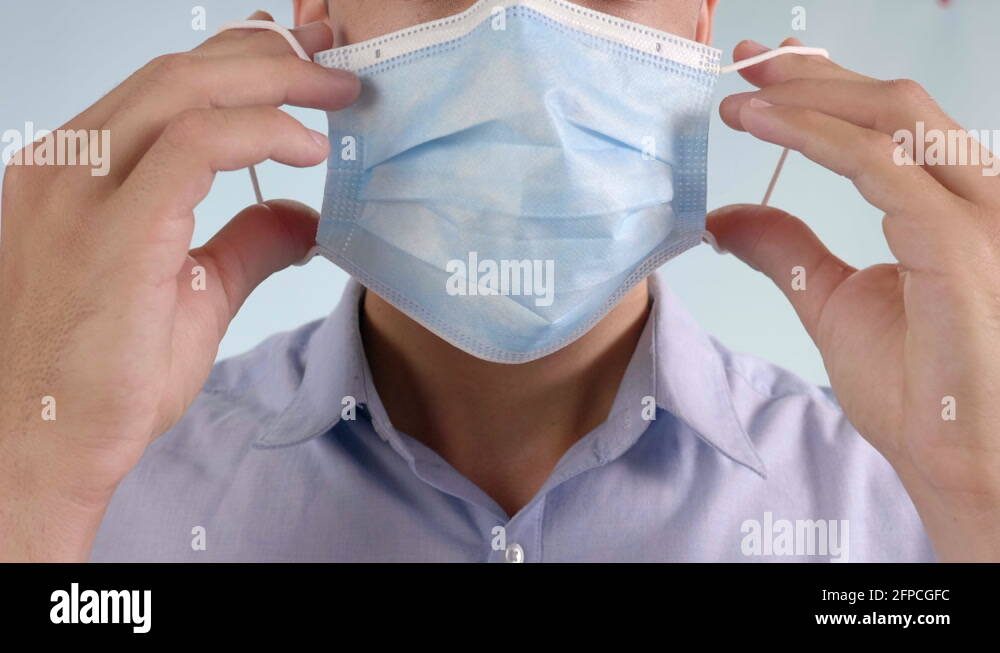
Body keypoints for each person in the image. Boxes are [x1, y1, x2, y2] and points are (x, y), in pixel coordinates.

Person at [1, 0, 997, 562]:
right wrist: (30, 479)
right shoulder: (97, 488)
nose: (520, 26)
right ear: (322, 17)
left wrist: (980, 500)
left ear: (697, 24)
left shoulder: (907, 505)